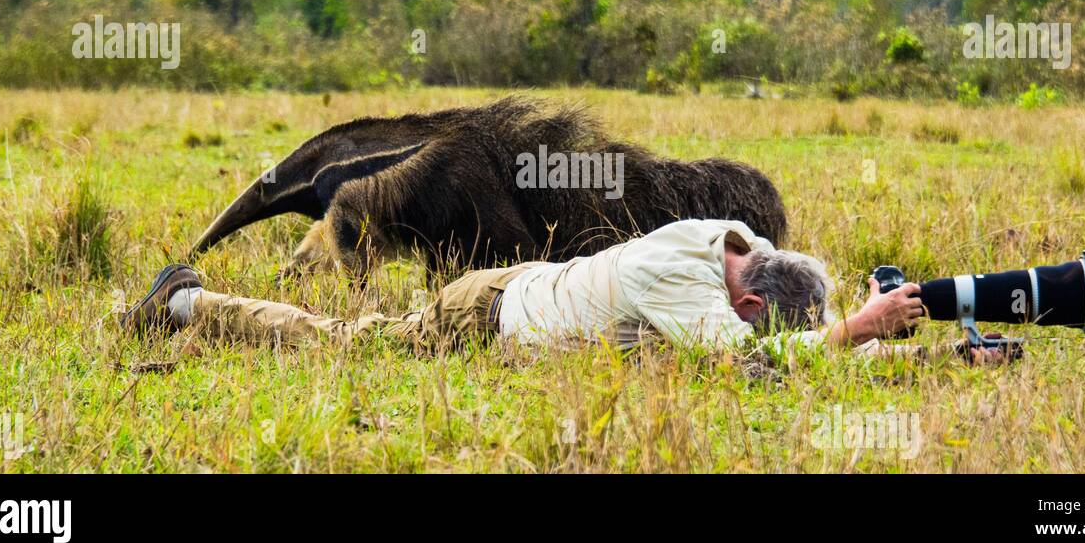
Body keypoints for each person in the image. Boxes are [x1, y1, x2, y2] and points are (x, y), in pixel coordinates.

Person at [123, 219, 1002, 364]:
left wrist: (892, 320)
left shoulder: (735, 240)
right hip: (485, 313)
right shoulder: (682, 286)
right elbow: (755, 359)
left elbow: (787, 315)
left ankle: (188, 313)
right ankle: (185, 303)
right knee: (345, 343)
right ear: (745, 303)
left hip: (529, 282)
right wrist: (857, 330)